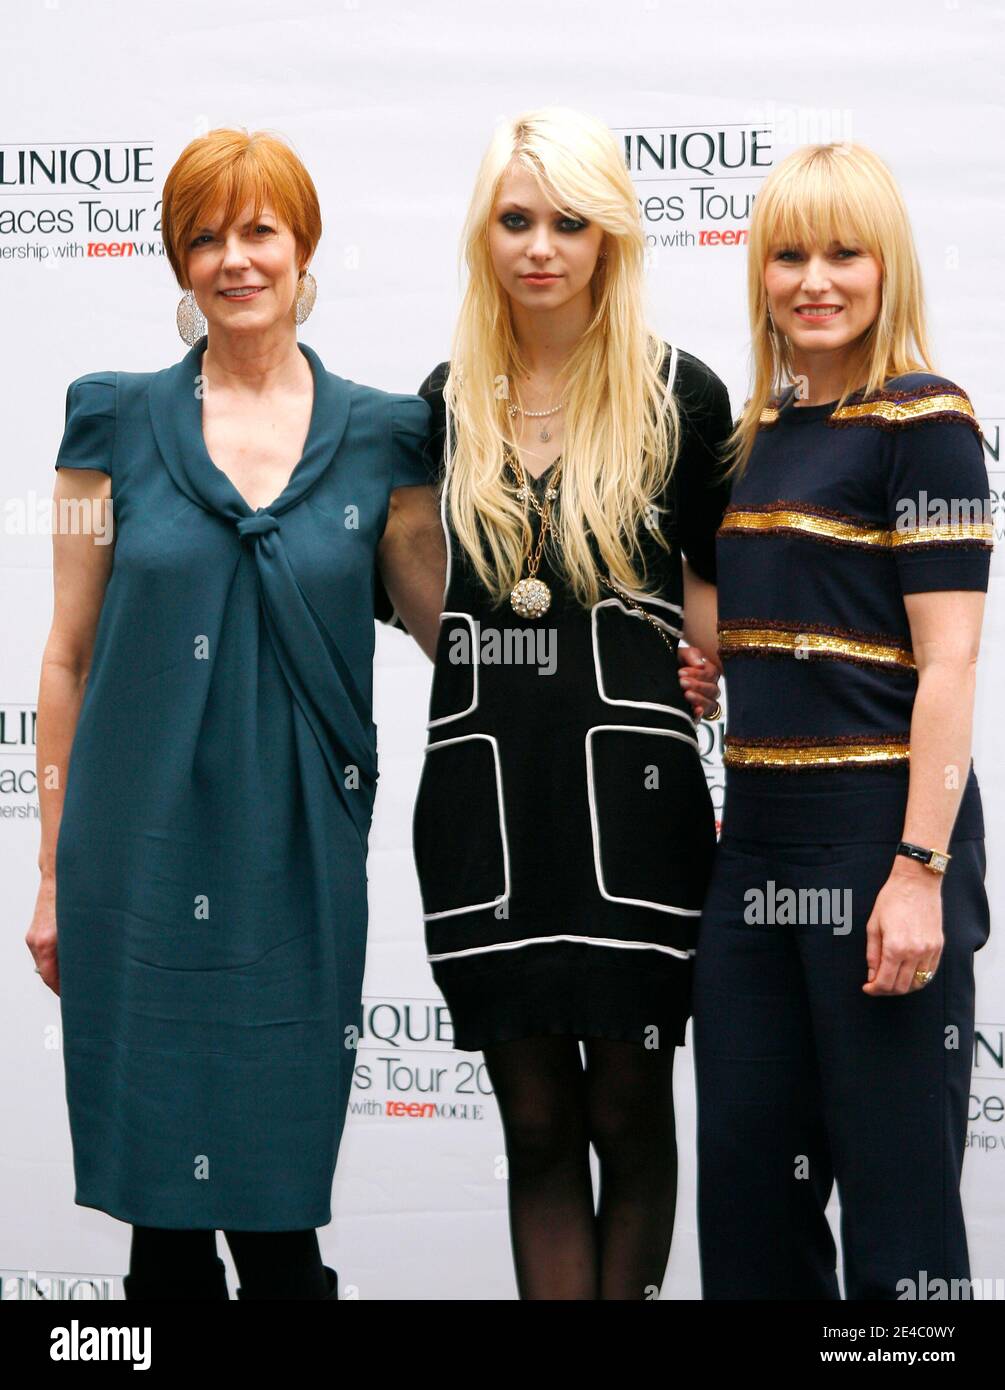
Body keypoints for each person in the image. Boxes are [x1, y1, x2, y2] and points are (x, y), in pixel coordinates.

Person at [26, 128, 444, 1300]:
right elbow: (65, 659)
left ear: (304, 247)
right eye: (203, 236)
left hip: (297, 860)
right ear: (176, 261)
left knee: (275, 1219)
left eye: (259, 230)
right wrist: (55, 869)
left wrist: (663, 650)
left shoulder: (384, 436)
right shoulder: (103, 425)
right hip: (135, 856)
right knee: (161, 1227)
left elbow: (445, 630)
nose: (234, 258)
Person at [411, 107, 731, 1300]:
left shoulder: (681, 395)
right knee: (536, 1124)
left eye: (569, 222)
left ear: (611, 240)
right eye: (516, 219)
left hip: (635, 815)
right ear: (484, 236)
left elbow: (712, 588)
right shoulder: (443, 405)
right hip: (484, 812)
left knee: (629, 1109)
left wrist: (711, 674)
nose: (541, 245)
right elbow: (407, 591)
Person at [693, 142, 993, 1299]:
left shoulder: (926, 419)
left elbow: (951, 663)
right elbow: (792, 615)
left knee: (899, 1208)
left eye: (843, 252)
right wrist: (716, 664)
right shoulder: (760, 432)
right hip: (756, 848)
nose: (813, 279)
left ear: (889, 268)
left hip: (882, 840)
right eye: (788, 253)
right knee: (751, 1212)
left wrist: (918, 867)